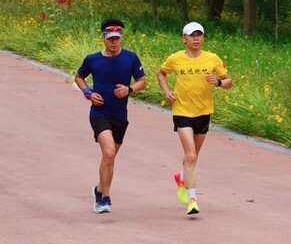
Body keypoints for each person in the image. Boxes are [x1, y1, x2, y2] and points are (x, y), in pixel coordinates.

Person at [156, 21, 232, 215]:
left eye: (199, 35)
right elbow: (161, 73)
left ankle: (183, 179)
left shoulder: (212, 58)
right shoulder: (175, 59)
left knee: (193, 157)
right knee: (190, 154)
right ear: (184, 39)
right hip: (182, 111)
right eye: (192, 35)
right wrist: (167, 92)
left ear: (203, 38)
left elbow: (229, 81)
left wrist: (219, 82)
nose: (196, 38)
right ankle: (192, 199)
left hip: (204, 112)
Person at [74, 18, 147, 214]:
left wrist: (129, 89)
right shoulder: (93, 59)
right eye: (110, 38)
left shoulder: (131, 58)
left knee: (110, 158)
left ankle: (99, 190)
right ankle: (105, 198)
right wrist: (88, 93)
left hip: (120, 115)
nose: (114, 42)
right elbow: (79, 76)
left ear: (121, 37)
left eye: (117, 38)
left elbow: (142, 81)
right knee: (109, 153)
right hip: (99, 112)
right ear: (103, 38)